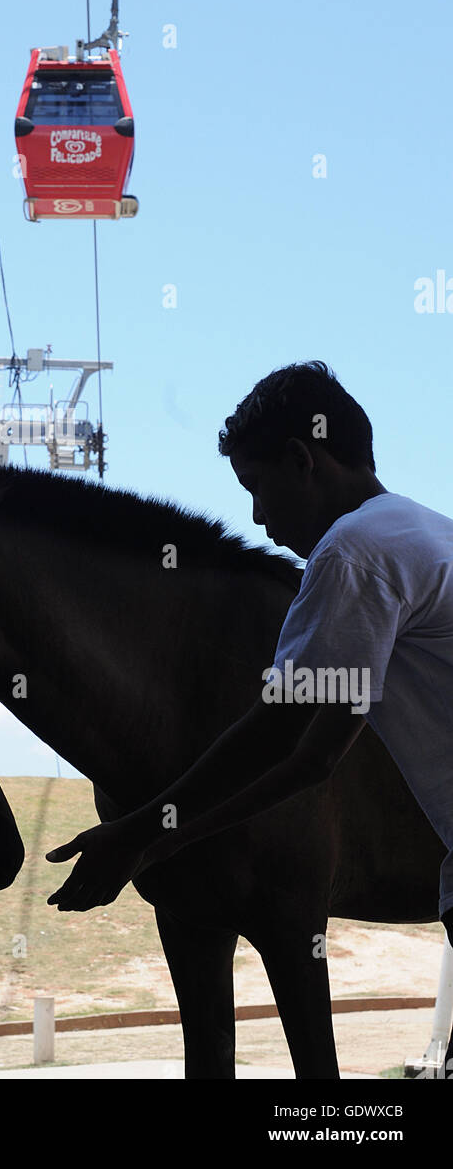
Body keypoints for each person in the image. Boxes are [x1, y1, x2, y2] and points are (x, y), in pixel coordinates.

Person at [46, 361, 453, 979]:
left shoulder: (352, 552)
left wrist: (141, 838)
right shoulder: (425, 532)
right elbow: (316, 755)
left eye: (256, 486)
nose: (259, 517)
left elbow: (279, 734)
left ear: (302, 459)